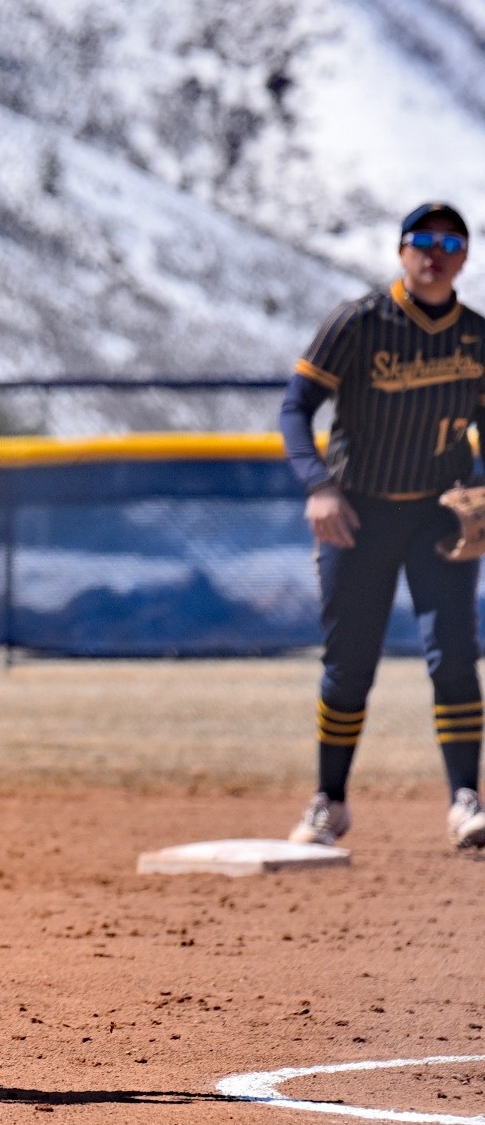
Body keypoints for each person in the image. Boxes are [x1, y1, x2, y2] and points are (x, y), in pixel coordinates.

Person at [280, 201, 485, 852]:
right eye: (422, 240)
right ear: (400, 251)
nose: (435, 252)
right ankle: (330, 802)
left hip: (439, 513)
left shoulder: (478, 337)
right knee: (349, 664)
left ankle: (465, 799)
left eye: (450, 242)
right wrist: (319, 486)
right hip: (358, 514)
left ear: (465, 258)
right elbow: (296, 407)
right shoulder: (358, 322)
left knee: (453, 653)